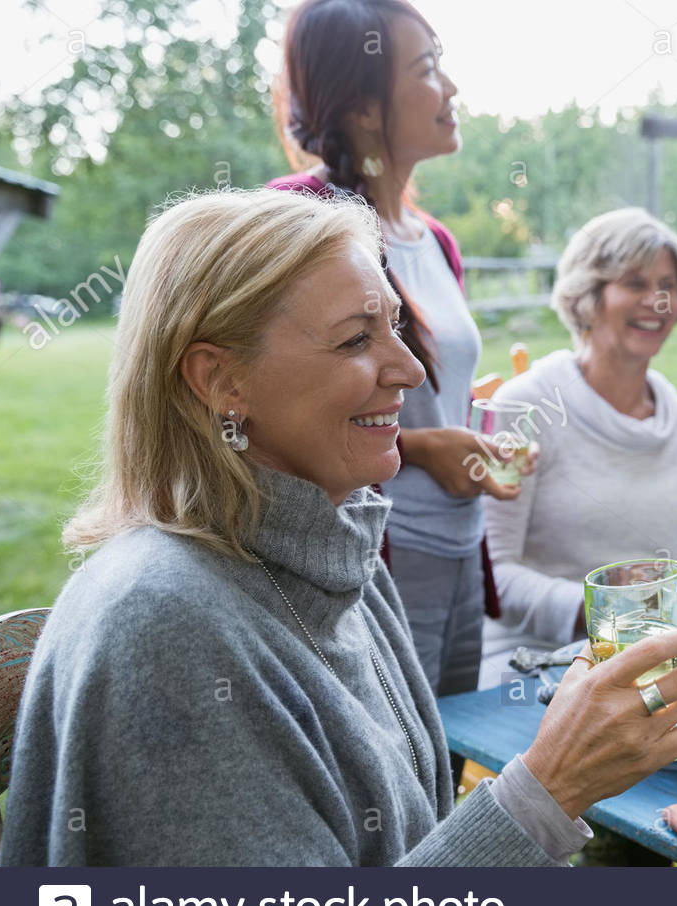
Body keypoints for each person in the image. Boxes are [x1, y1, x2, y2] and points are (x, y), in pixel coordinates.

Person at [0, 189, 677, 866]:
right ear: (221, 382)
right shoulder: (163, 631)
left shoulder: (335, 548)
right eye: (354, 339)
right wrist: (547, 793)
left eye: (393, 325)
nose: (406, 369)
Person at [269, 0, 517, 697]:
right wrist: (423, 448)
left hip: (460, 548)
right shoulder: (299, 221)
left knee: (446, 761)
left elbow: (415, 388)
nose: (452, 89)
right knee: (392, 777)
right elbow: (274, 413)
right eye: (428, 68)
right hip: (369, 558)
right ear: (364, 109)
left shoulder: (433, 241)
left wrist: (469, 416)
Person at [479, 208, 677, 688]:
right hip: (533, 668)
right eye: (635, 283)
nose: (658, 301)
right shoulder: (523, 408)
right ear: (588, 298)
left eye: (669, 285)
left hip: (655, 671)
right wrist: (613, 617)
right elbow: (493, 575)